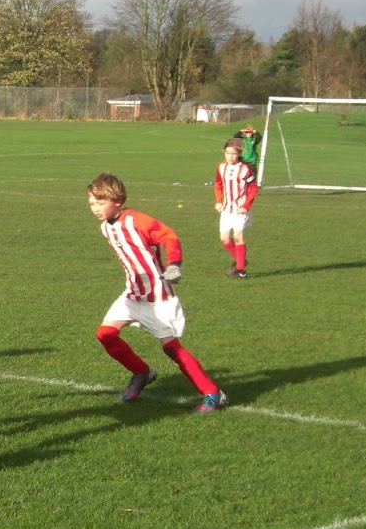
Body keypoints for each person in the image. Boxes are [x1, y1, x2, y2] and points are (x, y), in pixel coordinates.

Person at [87, 172, 225, 412]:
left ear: (117, 200)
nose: (95, 208)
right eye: (91, 203)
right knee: (105, 334)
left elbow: (168, 236)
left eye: (100, 203)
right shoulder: (105, 228)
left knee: (172, 348)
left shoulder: (136, 220)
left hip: (158, 296)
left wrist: (173, 264)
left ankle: (213, 393)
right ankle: (142, 372)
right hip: (132, 294)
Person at [214, 135, 259, 278]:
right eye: (227, 153)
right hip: (227, 209)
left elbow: (253, 187)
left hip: (240, 209)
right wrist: (219, 201)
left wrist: (246, 205)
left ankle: (241, 271)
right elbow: (218, 184)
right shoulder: (221, 167)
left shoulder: (246, 169)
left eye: (233, 154)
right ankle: (241, 260)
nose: (230, 156)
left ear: (239, 154)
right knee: (225, 239)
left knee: (238, 236)